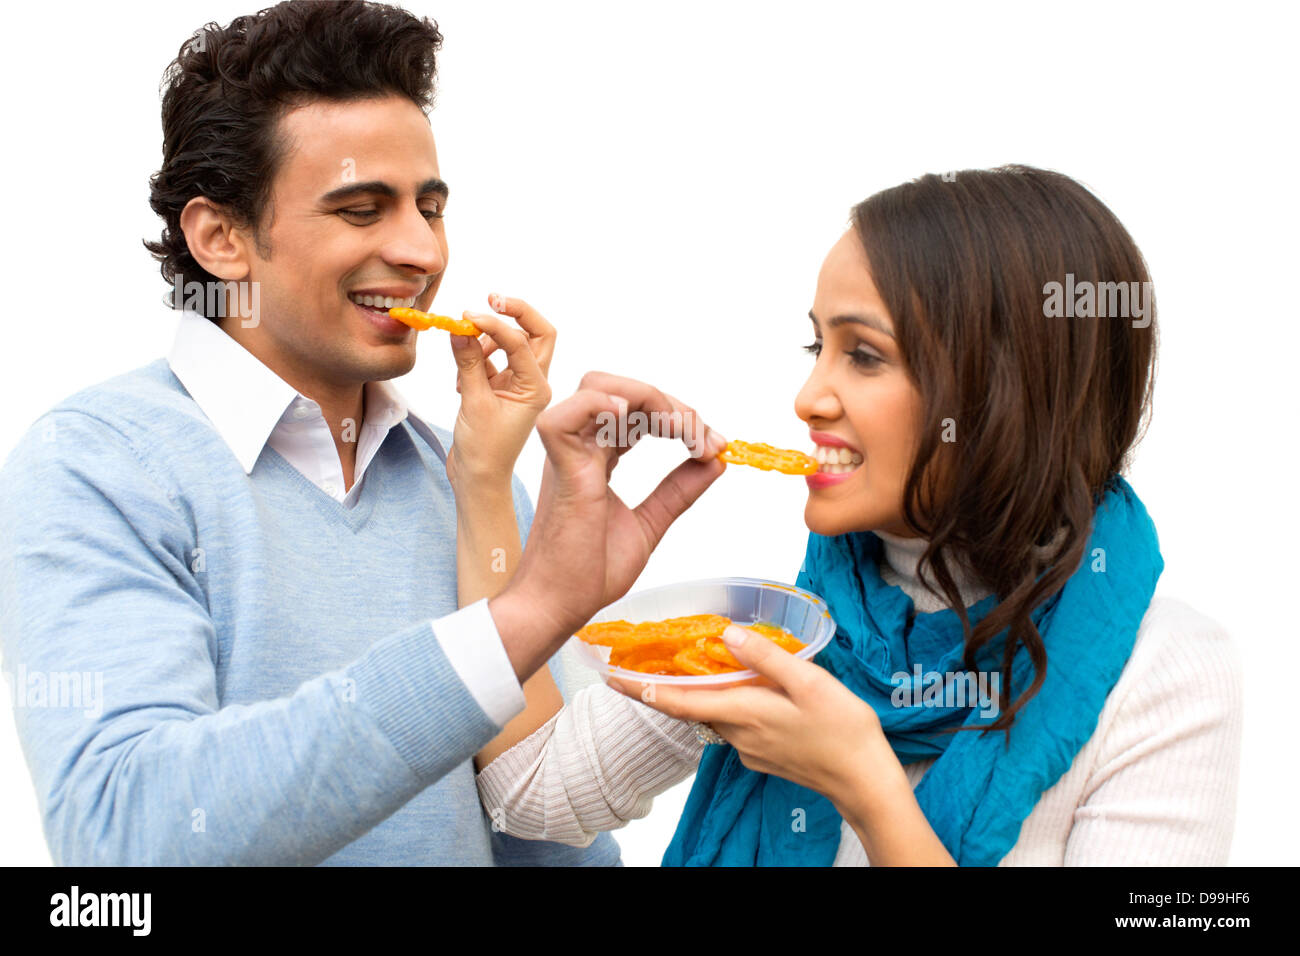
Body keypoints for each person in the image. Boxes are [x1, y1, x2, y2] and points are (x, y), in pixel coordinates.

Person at [0, 0, 727, 866]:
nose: (422, 251)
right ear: (221, 237)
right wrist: (522, 616)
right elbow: (126, 834)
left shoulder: (463, 479)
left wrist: (493, 503)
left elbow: (545, 841)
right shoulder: (97, 462)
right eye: (361, 209)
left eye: (430, 206)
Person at [474, 166, 1244, 866]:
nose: (809, 397)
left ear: (1007, 395)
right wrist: (497, 495)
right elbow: (532, 796)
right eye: (817, 345)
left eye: (865, 355)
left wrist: (866, 791)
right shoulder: (780, 636)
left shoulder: (1164, 673)